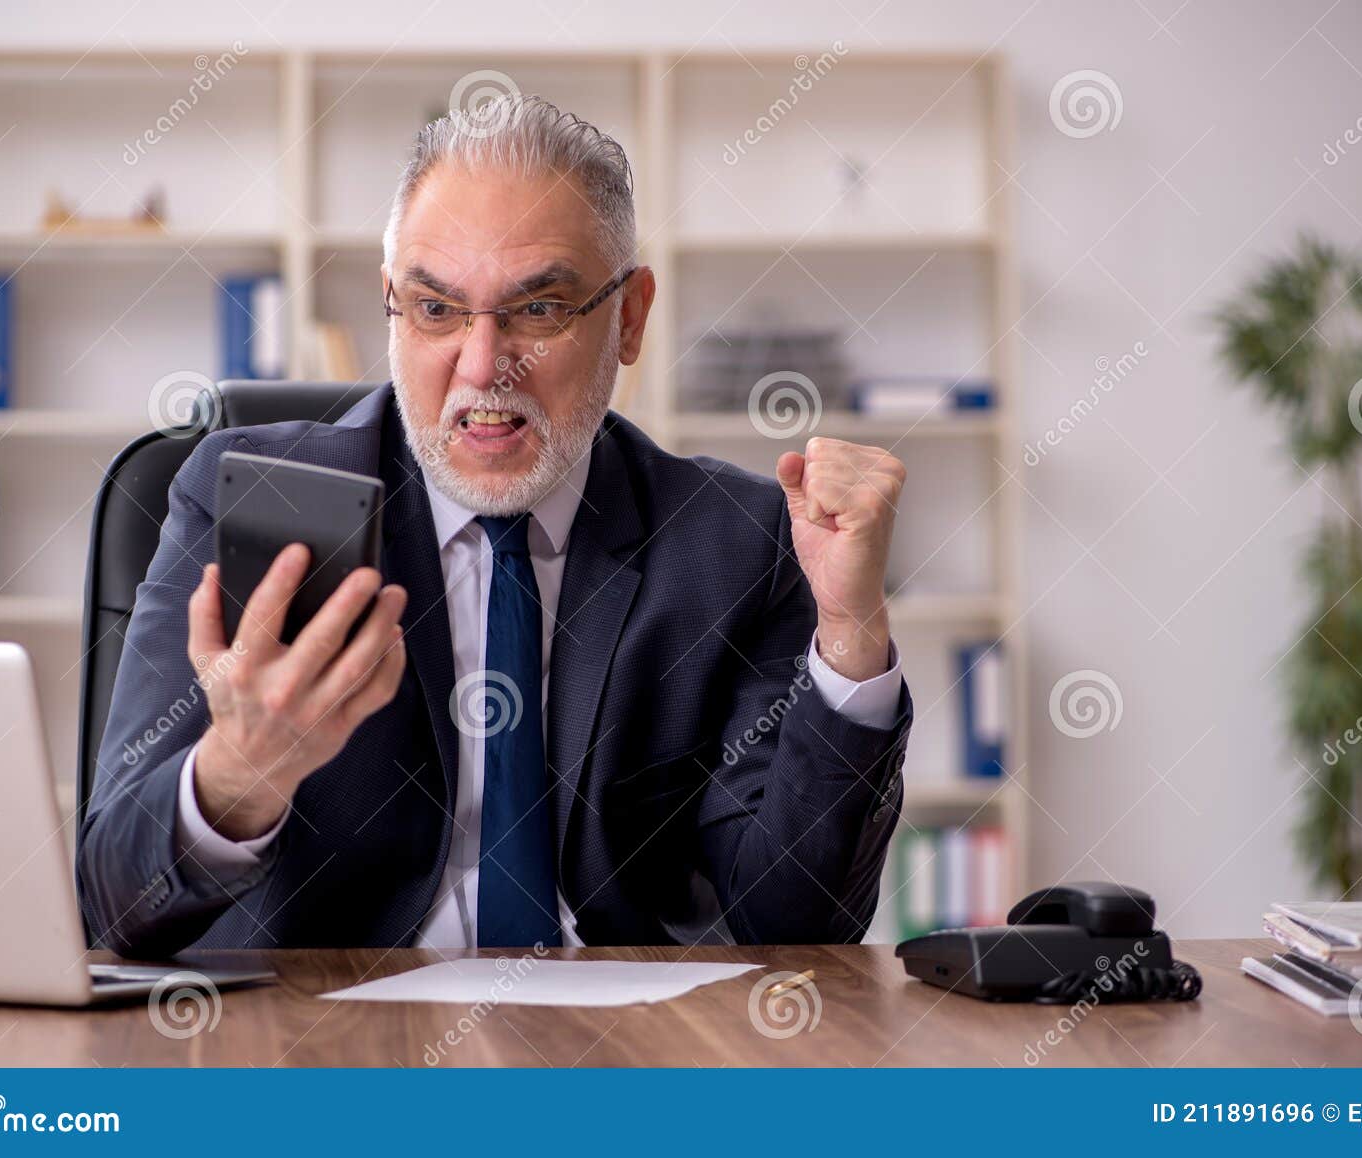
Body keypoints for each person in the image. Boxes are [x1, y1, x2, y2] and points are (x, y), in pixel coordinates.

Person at [77, 93, 913, 955]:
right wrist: (237, 775)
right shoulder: (254, 503)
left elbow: (800, 925)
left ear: (628, 318)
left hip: (620, 1048)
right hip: (330, 1043)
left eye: (539, 310)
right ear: (391, 310)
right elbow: (113, 906)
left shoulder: (734, 542)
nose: (483, 366)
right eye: (436, 309)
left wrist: (852, 635)